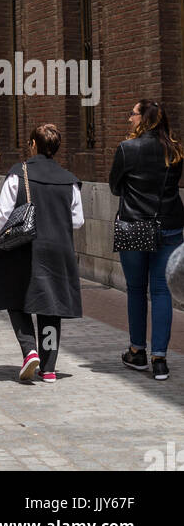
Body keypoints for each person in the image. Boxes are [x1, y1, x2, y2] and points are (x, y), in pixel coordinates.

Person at [0, 123, 83, 383]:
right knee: (50, 305)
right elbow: (78, 221)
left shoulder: (19, 174)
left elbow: (3, 213)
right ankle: (49, 368)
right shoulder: (69, 180)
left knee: (14, 298)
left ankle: (29, 351)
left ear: (33, 144)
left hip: (24, 248)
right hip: (58, 250)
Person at [110, 99, 184, 381]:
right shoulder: (175, 150)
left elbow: (115, 187)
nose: (129, 118)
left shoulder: (127, 149)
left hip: (135, 225)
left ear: (144, 119)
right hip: (170, 225)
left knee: (136, 289)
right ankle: (161, 360)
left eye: (133, 114)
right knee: (163, 292)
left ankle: (137, 352)